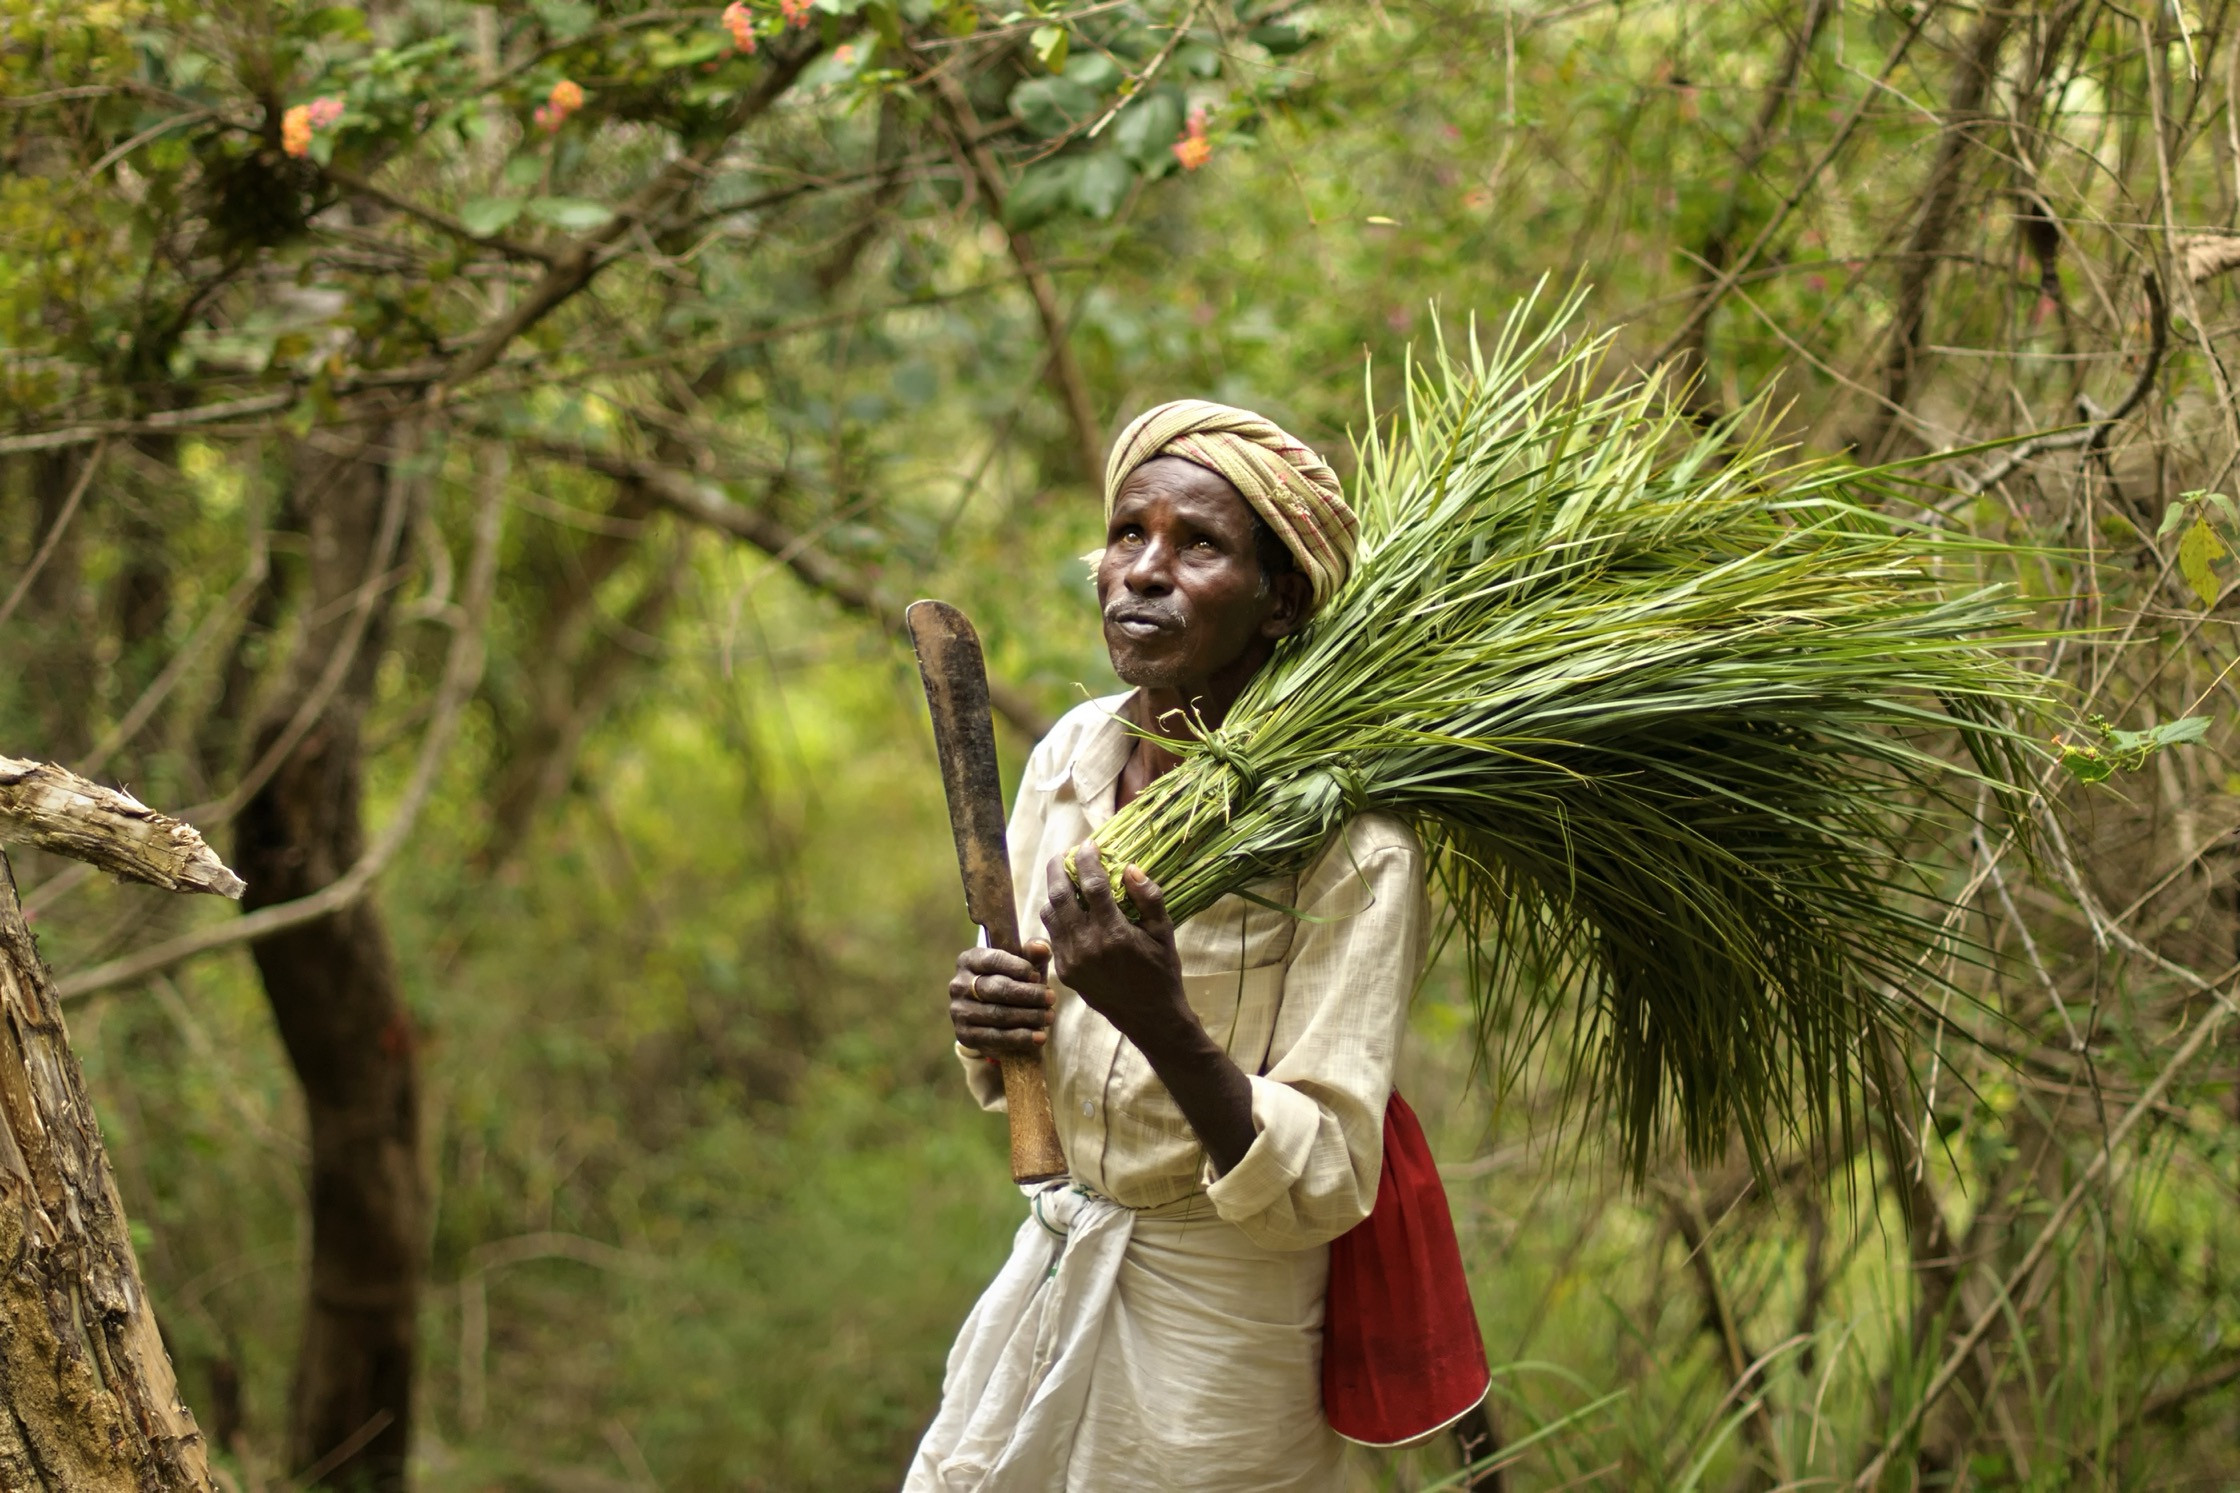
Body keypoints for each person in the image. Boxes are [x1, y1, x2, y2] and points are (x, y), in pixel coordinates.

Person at [904, 402, 1437, 1492]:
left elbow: (1330, 1171)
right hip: (1061, 1258)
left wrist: (1160, 1022)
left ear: (1278, 600)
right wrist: (987, 1011)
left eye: (1196, 545)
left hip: (1219, 1335)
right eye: (1126, 534)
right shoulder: (1070, 754)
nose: (1141, 571)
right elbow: (1014, 1021)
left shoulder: (1346, 840)